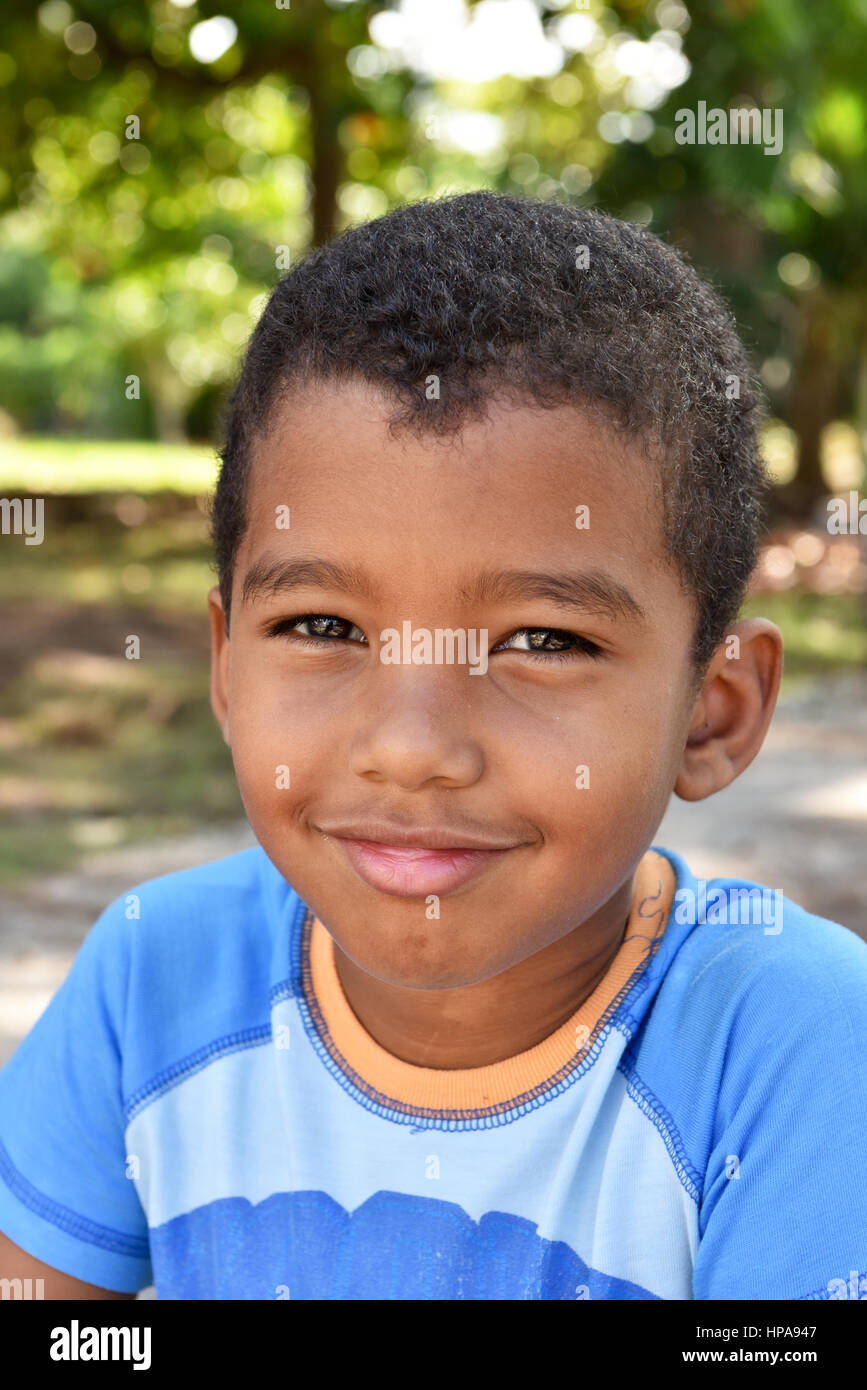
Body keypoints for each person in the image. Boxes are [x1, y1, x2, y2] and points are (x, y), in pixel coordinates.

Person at [1, 192, 865, 1301]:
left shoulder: (800, 1051)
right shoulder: (152, 978)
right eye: (323, 627)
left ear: (716, 710)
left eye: (542, 640)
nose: (410, 749)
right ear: (225, 666)